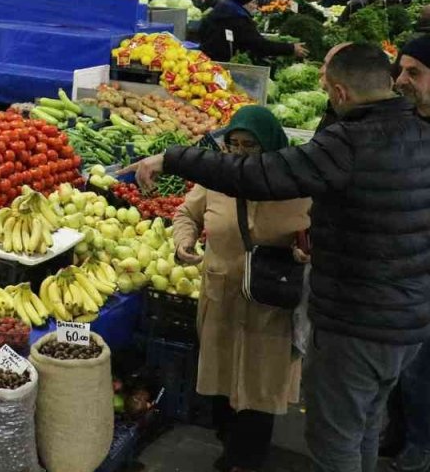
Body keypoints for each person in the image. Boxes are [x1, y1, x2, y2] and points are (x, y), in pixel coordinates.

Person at [129, 43, 430, 472]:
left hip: (355, 319)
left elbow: (258, 174)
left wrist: (174, 158)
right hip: (408, 319)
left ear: (340, 93)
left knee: (335, 440)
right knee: (364, 425)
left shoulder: (348, 142)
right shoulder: (421, 134)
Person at [171, 105, 311, 472]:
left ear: (271, 146)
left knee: (261, 389)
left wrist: (307, 251)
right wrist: (184, 241)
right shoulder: (216, 179)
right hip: (222, 300)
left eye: (250, 146)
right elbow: (186, 214)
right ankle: (229, 444)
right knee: (221, 383)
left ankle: (246, 460)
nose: (239, 153)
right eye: (233, 144)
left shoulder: (298, 185)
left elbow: (322, 233)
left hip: (270, 305)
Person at [389, 37, 430, 472]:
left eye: (414, 72)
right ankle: (398, 432)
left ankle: (421, 444)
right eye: (400, 69)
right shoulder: (401, 121)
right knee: (398, 360)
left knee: (421, 365)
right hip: (398, 262)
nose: (401, 80)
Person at [197, 0, 308, 62]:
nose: (256, 7)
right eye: (253, 3)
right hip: (222, 66)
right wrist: (290, 48)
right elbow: (260, 46)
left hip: (205, 61)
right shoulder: (238, 20)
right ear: (243, 3)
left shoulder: (216, 13)